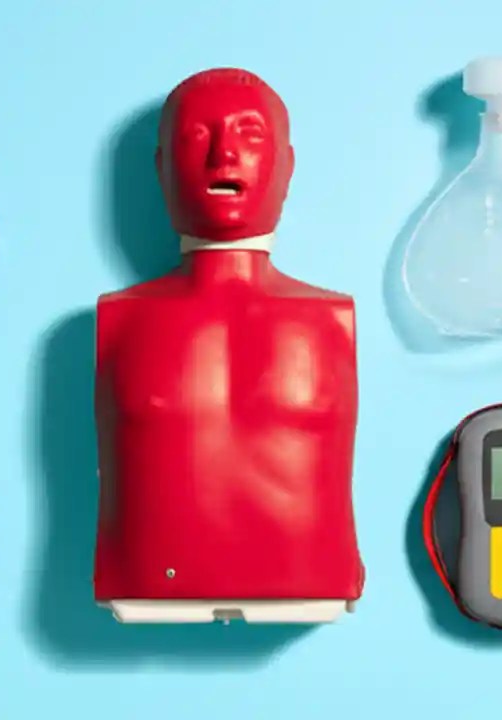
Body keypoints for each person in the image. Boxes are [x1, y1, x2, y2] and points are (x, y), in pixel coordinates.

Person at [93, 68, 365, 622]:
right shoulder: (118, 318)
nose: (224, 156)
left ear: (287, 167)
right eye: (197, 136)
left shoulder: (334, 318)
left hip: (314, 586)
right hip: (145, 590)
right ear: (161, 167)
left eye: (250, 134)